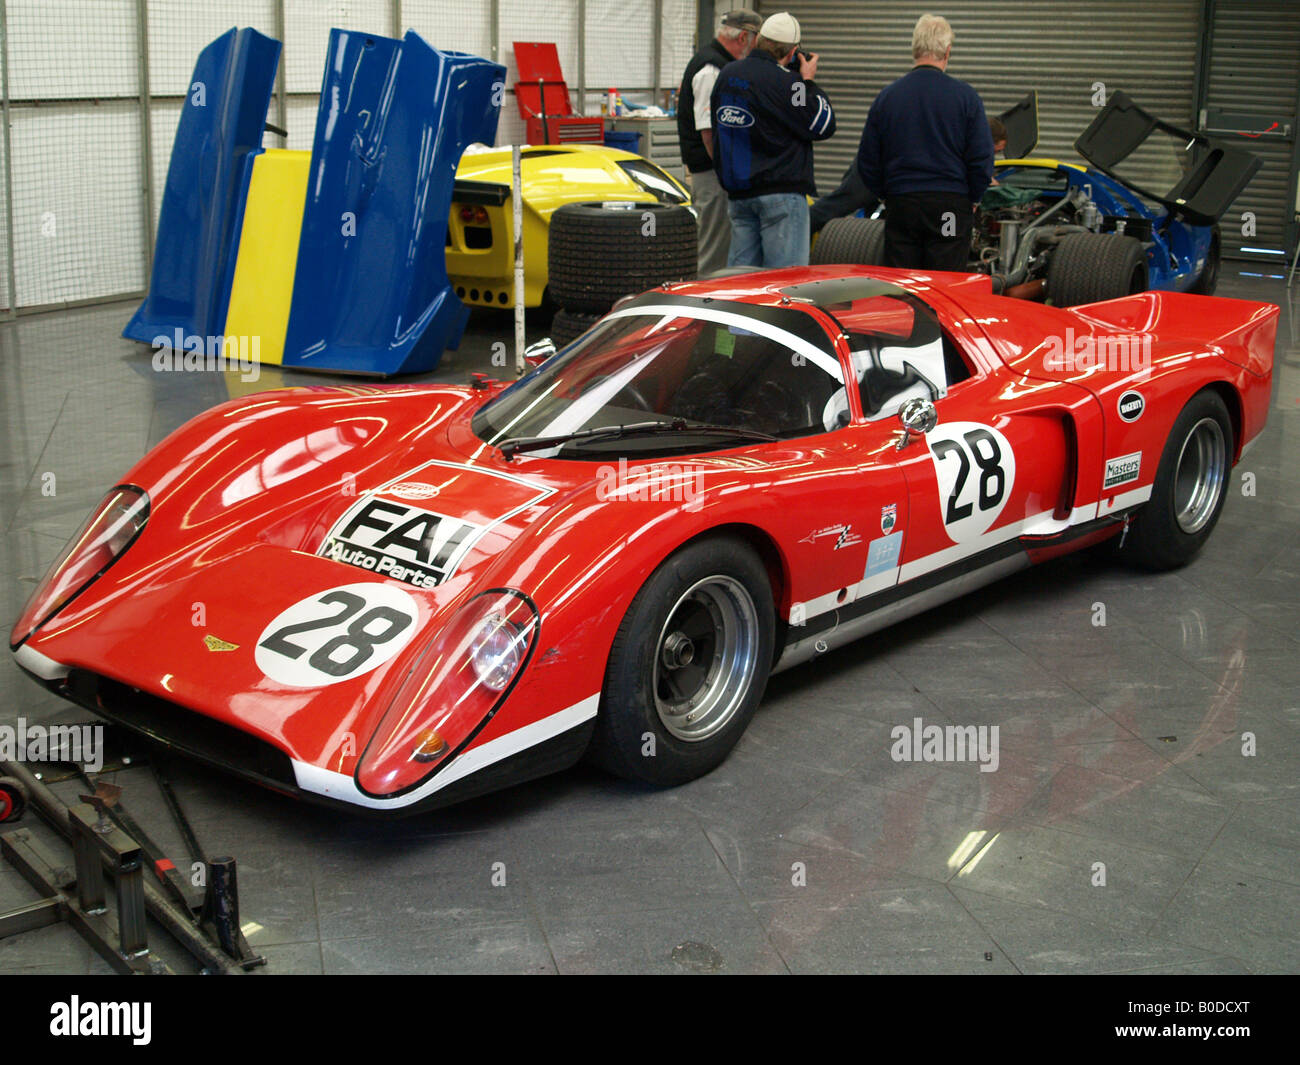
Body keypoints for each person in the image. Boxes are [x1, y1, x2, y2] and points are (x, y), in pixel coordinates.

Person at [855, 14, 994, 271]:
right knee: (945, 282)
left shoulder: (887, 98)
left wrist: (889, 195)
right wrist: (972, 198)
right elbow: (981, 158)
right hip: (949, 209)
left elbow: (867, 161)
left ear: (915, 48)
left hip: (902, 205)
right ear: (948, 51)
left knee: (903, 286)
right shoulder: (966, 97)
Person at [711, 12, 836, 269]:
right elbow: (822, 124)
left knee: (740, 286)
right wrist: (808, 81)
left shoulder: (727, 74)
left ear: (759, 40)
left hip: (739, 196)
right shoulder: (790, 84)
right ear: (792, 52)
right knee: (784, 287)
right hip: (781, 197)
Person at [677, 9, 762, 275]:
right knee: (714, 252)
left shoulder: (720, 65)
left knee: (724, 247)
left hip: (717, 171)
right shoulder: (711, 68)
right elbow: (708, 131)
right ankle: (705, 309)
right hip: (713, 173)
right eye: (757, 40)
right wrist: (727, 172)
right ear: (744, 37)